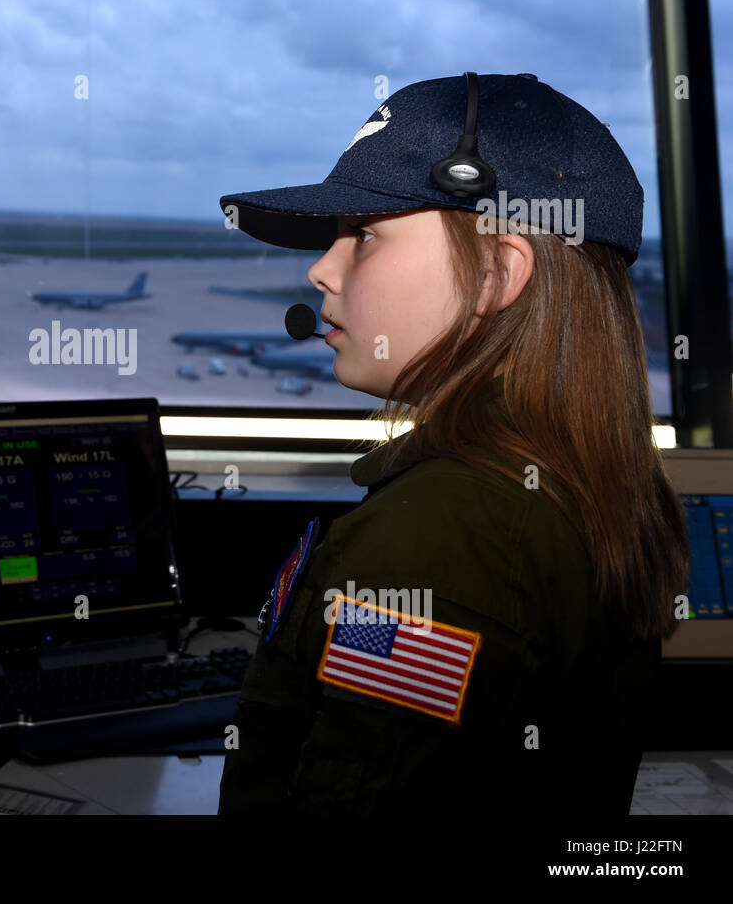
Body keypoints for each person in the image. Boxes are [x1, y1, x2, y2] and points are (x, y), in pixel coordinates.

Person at [215, 72, 690, 816]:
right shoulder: (565, 481)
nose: (321, 270)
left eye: (364, 235)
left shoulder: (439, 540)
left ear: (496, 273)